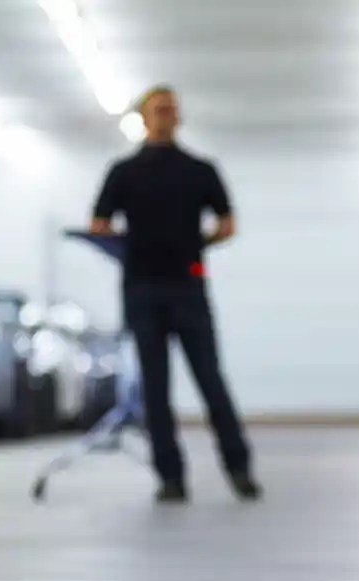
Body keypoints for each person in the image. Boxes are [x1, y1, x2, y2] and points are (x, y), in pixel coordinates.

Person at [91, 85, 260, 503]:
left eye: (170, 109)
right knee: (155, 388)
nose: (165, 115)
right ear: (144, 118)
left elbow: (227, 224)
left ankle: (238, 468)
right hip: (141, 290)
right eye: (158, 109)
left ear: (178, 117)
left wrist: (194, 245)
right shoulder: (122, 172)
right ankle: (169, 477)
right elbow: (98, 224)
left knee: (210, 379)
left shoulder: (201, 170)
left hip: (188, 287)